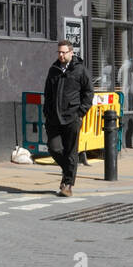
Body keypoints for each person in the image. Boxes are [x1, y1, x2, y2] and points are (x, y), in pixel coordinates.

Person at [43, 40, 93, 197]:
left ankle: (67, 185)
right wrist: (47, 113)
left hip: (72, 117)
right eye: (59, 52)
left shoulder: (80, 70)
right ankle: (68, 170)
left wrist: (80, 113)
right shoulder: (54, 70)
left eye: (64, 52)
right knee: (54, 148)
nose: (61, 55)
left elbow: (89, 93)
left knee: (71, 151)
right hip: (54, 119)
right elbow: (48, 93)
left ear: (71, 53)